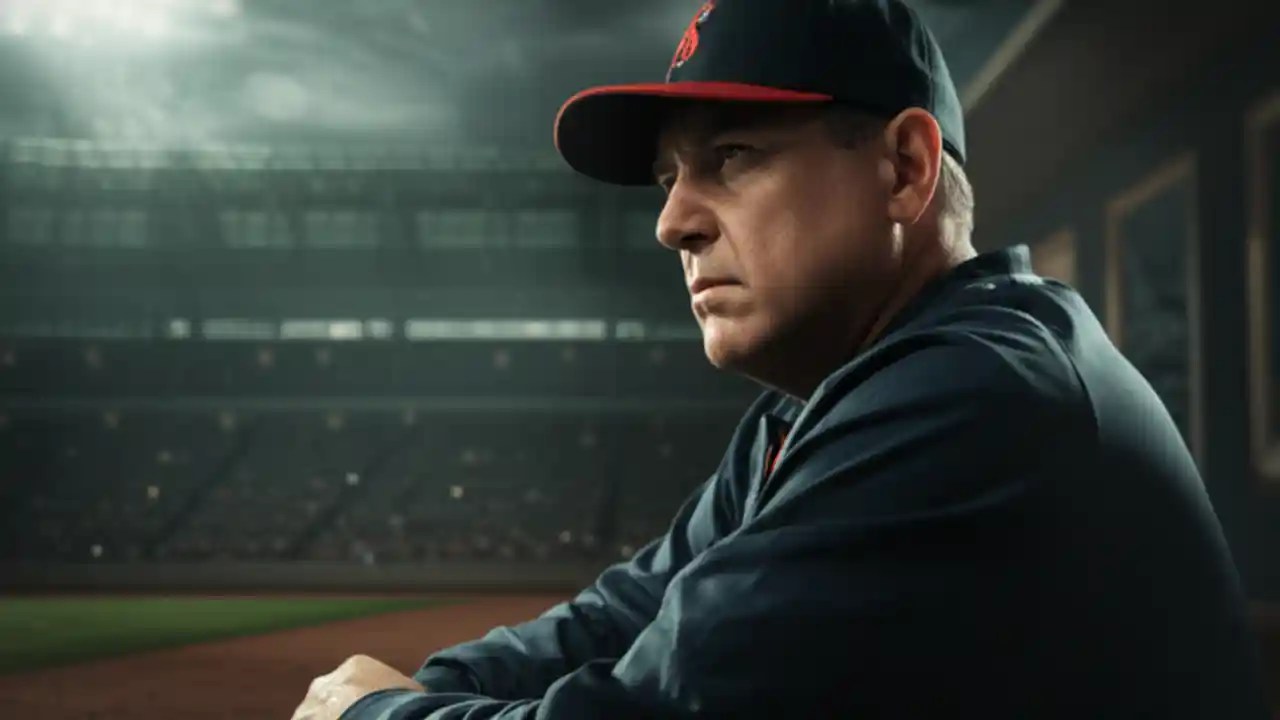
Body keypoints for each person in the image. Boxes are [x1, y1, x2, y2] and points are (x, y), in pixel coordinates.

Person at [294, 1, 1270, 717]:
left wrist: (375, 716)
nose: (672, 221)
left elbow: (655, 712)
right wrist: (441, 688)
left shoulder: (976, 394)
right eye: (670, 177)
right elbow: (625, 614)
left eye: (733, 156)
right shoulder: (830, 399)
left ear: (903, 168)